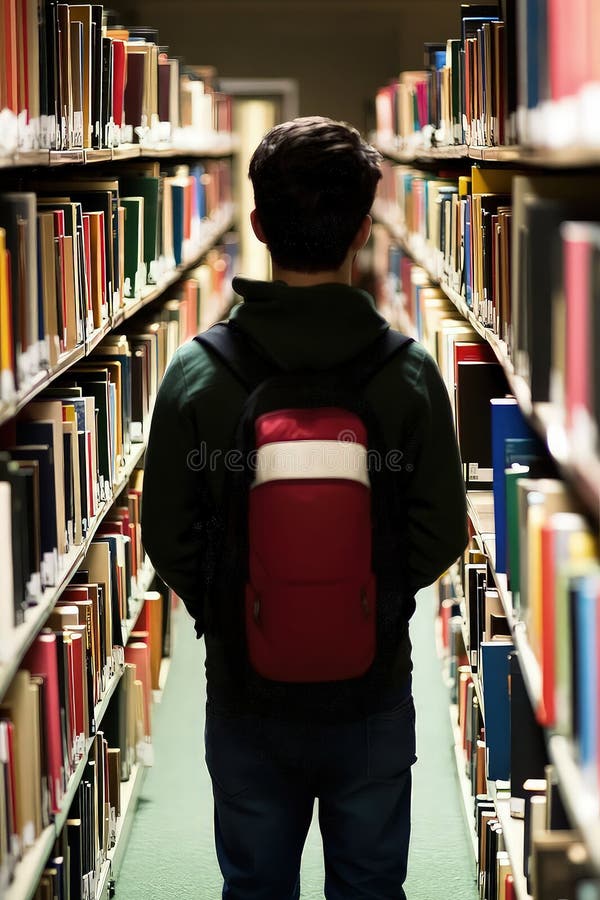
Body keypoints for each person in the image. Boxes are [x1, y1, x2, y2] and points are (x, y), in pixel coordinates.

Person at [142, 116, 468, 900]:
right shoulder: (411, 372)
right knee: (369, 884)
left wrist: (236, 605)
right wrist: (371, 596)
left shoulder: (195, 372)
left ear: (255, 225)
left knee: (255, 885)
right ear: (363, 231)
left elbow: (165, 535)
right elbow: (440, 529)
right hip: (373, 687)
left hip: (248, 691)